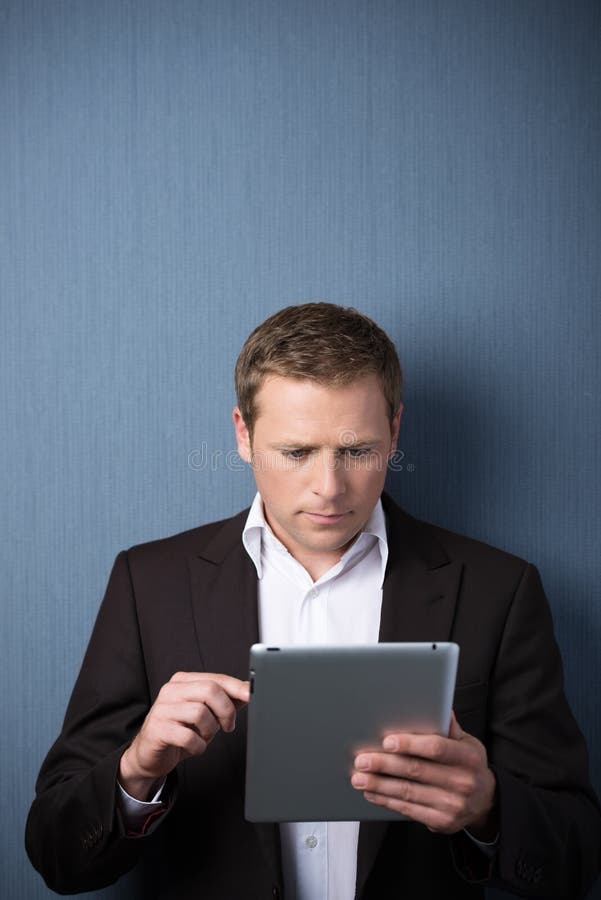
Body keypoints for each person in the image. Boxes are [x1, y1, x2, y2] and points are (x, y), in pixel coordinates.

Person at [26, 303, 601, 899]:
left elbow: (576, 857)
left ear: (395, 432)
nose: (330, 487)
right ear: (243, 436)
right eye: (297, 453)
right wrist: (136, 770)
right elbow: (57, 855)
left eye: (356, 451)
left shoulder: (499, 591)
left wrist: (487, 807)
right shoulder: (148, 584)